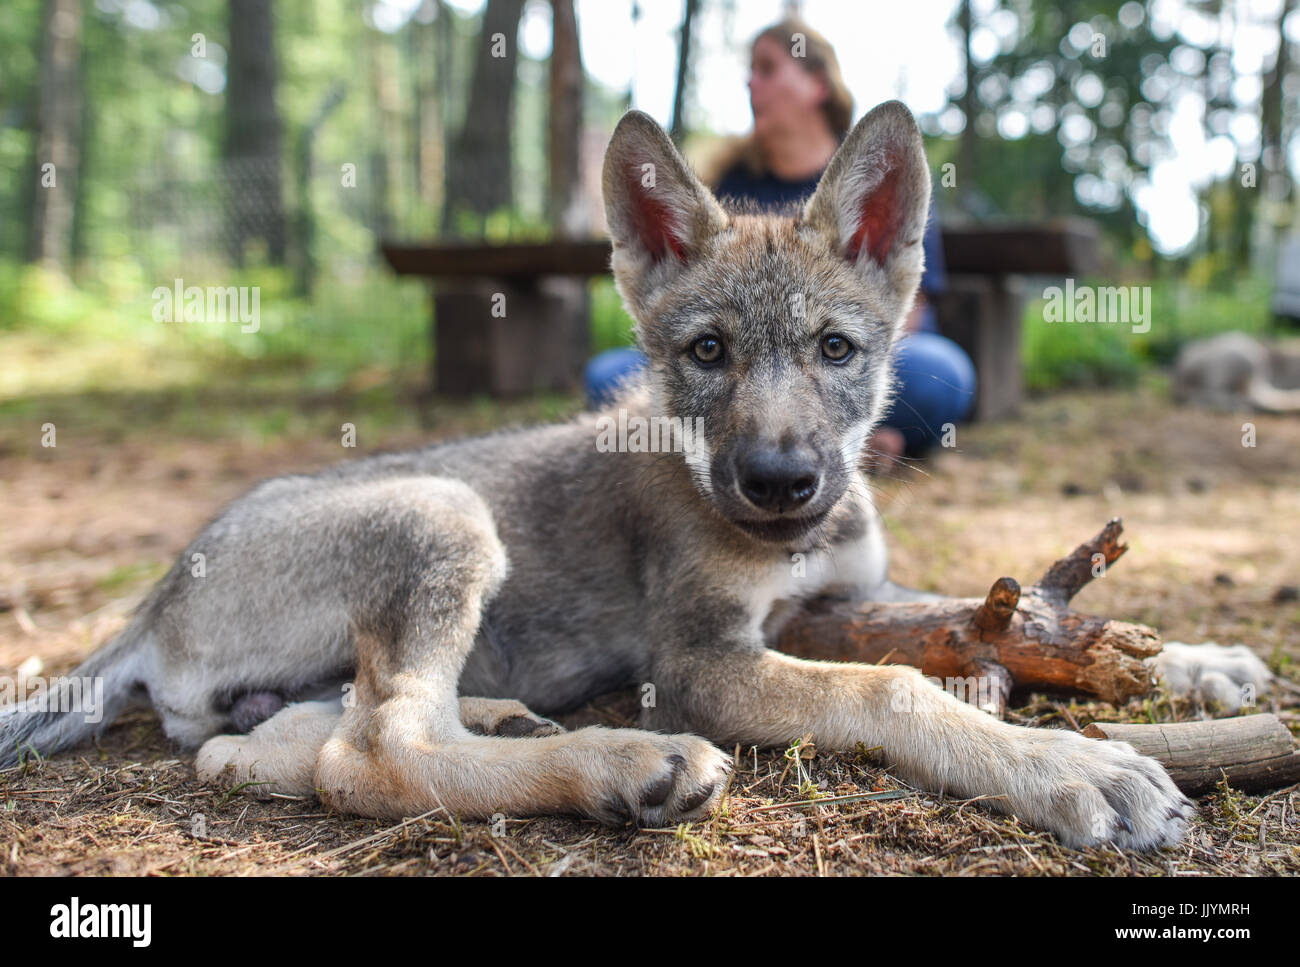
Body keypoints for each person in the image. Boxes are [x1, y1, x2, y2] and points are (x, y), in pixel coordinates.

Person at [585, 17, 975, 462]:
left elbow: (912, 306)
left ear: (818, 83)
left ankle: (842, 429)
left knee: (941, 373)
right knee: (608, 376)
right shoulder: (731, 180)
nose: (751, 83)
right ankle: (850, 436)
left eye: (767, 68)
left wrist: (840, 359)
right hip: (737, 390)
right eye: (749, 72)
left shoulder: (871, 177)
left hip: (878, 364)